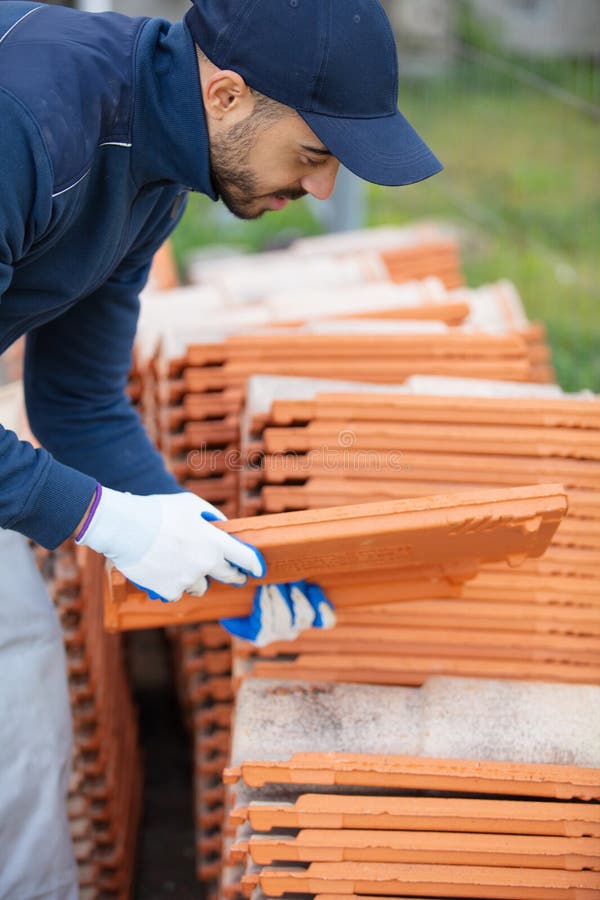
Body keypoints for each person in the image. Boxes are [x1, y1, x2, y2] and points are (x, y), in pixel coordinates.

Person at [0, 0, 442, 895]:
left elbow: (78, 401)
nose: (321, 190)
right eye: (315, 155)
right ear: (229, 94)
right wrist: (99, 519)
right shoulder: (28, 121)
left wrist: (214, 556)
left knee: (22, 697)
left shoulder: (155, 165)